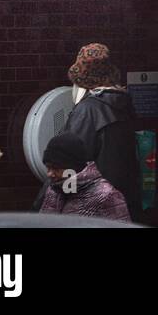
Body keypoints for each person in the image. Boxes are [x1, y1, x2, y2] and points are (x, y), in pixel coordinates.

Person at [60, 43, 143, 221]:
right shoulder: (124, 105)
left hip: (92, 210)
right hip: (122, 207)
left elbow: (67, 163)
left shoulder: (87, 111)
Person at [37, 132, 131, 222]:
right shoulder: (53, 190)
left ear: (72, 167)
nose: (49, 174)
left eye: (55, 168)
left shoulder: (106, 196)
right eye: (48, 168)